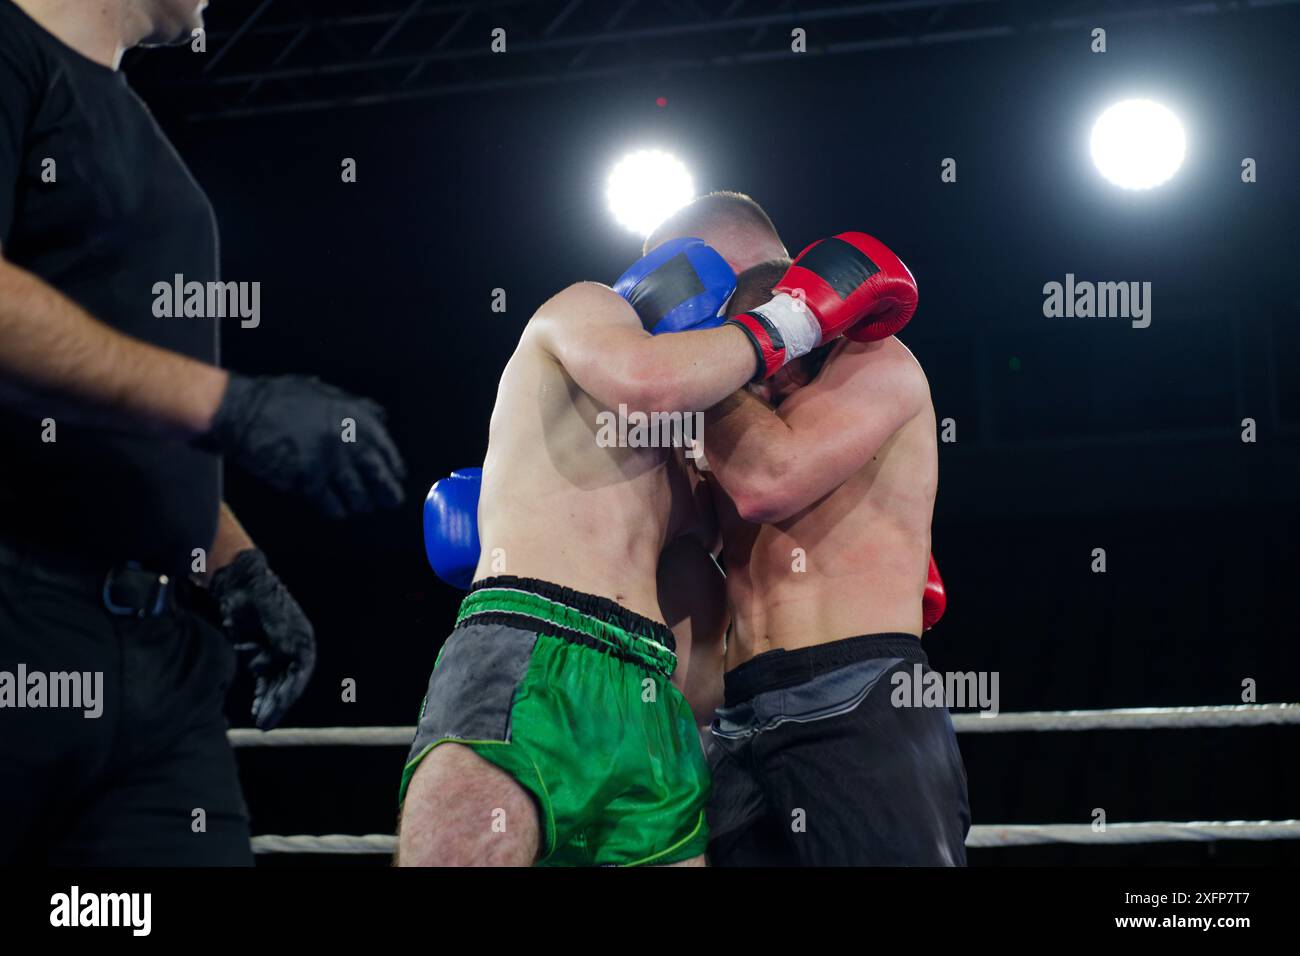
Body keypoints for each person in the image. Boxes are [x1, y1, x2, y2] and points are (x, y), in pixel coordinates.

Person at [0, 0, 406, 865]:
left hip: (152, 652)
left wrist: (232, 562)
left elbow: (117, 380)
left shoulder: (131, 125)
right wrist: (234, 405)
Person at [398, 195, 914, 866]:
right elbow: (648, 384)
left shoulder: (699, 439)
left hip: (656, 710)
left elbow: (714, 577)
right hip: (535, 649)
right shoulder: (591, 309)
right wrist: (794, 317)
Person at [694, 240, 970, 866]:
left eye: (784, 344)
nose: (777, 370)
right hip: (738, 716)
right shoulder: (744, 410)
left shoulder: (873, 355)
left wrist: (706, 359)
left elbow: (771, 480)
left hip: (856, 689)